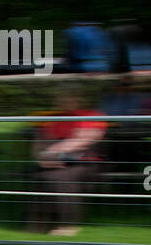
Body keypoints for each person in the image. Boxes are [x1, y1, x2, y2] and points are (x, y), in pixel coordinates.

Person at [26, 89, 107, 237]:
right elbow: (38, 142)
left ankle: (68, 225)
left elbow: (84, 140)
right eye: (62, 97)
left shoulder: (93, 116)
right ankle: (39, 225)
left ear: (81, 99)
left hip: (84, 162)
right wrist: (42, 158)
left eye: (71, 97)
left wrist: (52, 153)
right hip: (53, 160)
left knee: (61, 177)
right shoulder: (52, 118)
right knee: (43, 175)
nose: (65, 101)